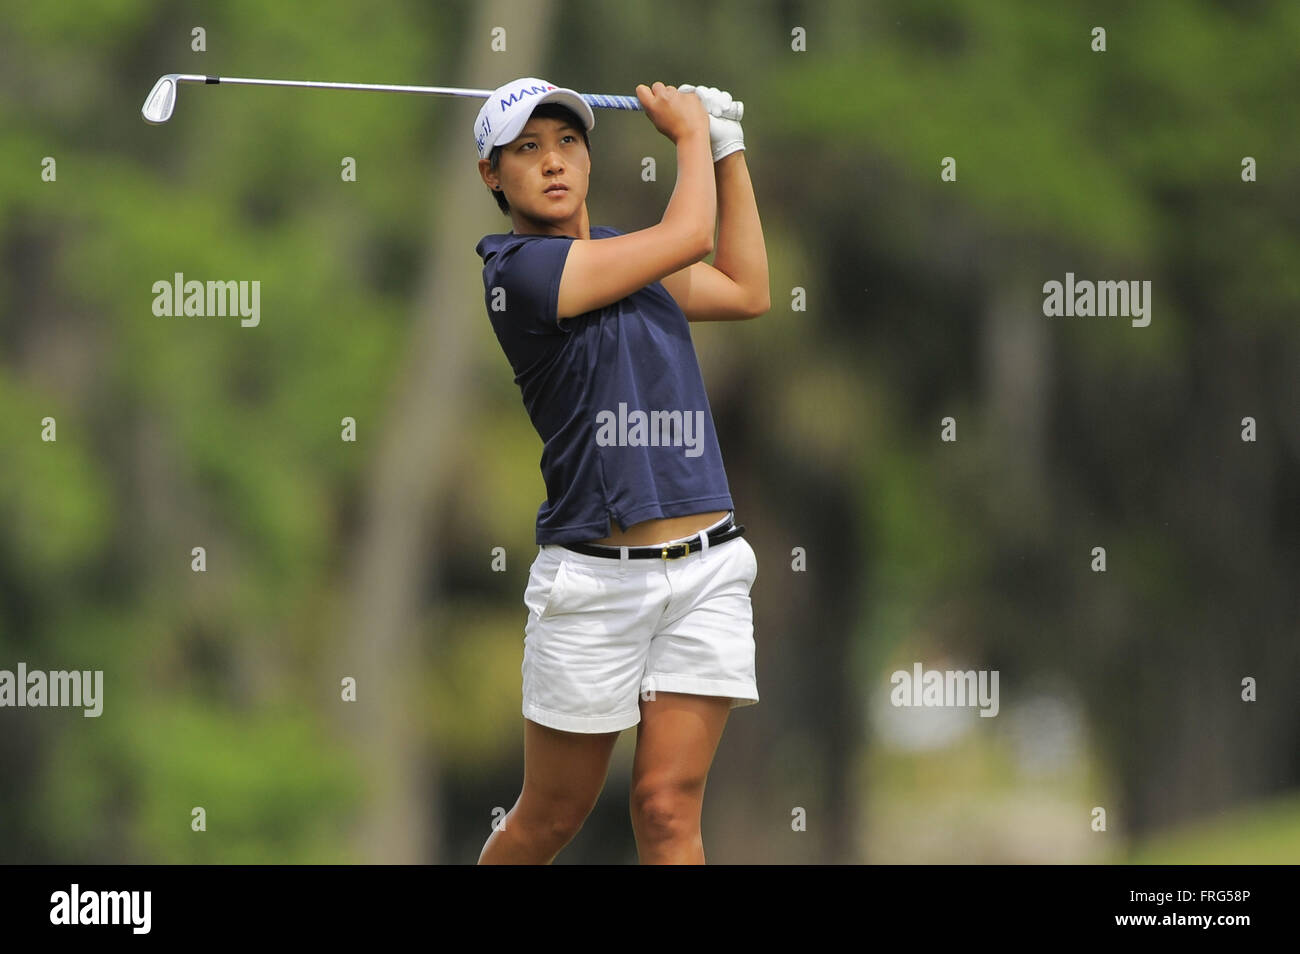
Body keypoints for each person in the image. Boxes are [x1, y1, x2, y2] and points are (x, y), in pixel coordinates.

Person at [472, 76, 769, 864]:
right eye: (526, 150)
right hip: (594, 583)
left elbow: (745, 289)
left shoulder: (622, 255)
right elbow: (689, 236)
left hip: (706, 569)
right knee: (550, 817)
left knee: (668, 808)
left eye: (567, 141)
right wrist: (690, 137)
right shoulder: (517, 275)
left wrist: (728, 147)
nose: (553, 161)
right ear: (492, 176)